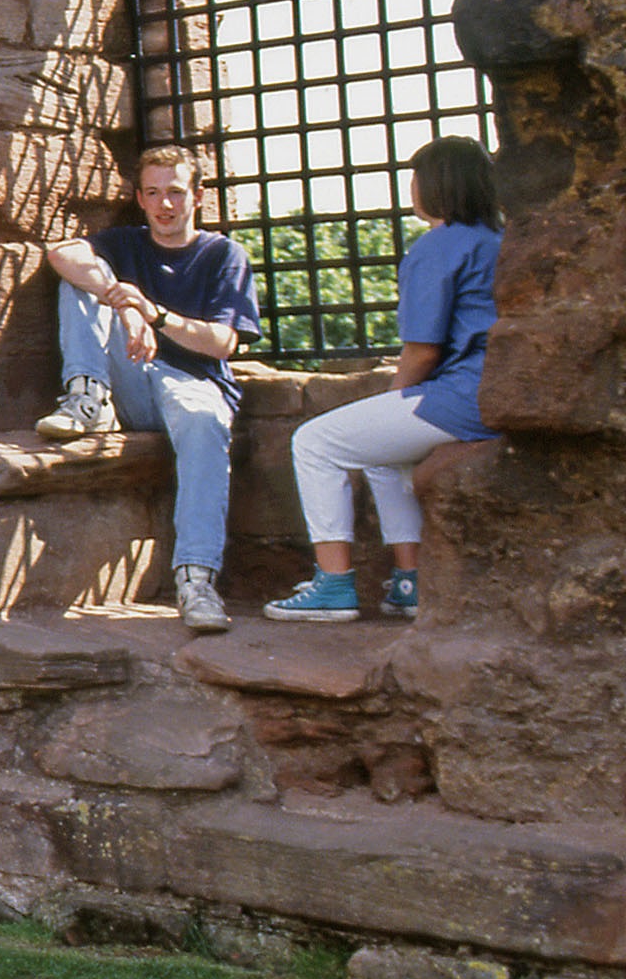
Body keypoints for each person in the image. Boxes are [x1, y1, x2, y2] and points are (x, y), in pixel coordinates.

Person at [268, 137, 501, 625]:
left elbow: (422, 349)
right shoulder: (498, 240)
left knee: (312, 442)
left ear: (435, 184)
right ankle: (410, 585)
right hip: (493, 393)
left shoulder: (439, 245)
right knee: (380, 455)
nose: (410, 187)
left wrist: (397, 396)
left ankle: (332, 588)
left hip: (459, 397)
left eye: (415, 177)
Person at [38, 147, 260, 631]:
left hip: (193, 384)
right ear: (139, 198)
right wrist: (127, 307)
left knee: (204, 425)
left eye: (176, 192)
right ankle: (87, 395)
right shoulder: (127, 242)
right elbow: (61, 252)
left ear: (197, 196)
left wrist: (155, 314)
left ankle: (197, 581)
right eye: (154, 193)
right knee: (81, 276)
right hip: (131, 380)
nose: (165, 205)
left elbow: (223, 342)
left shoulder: (223, 254)